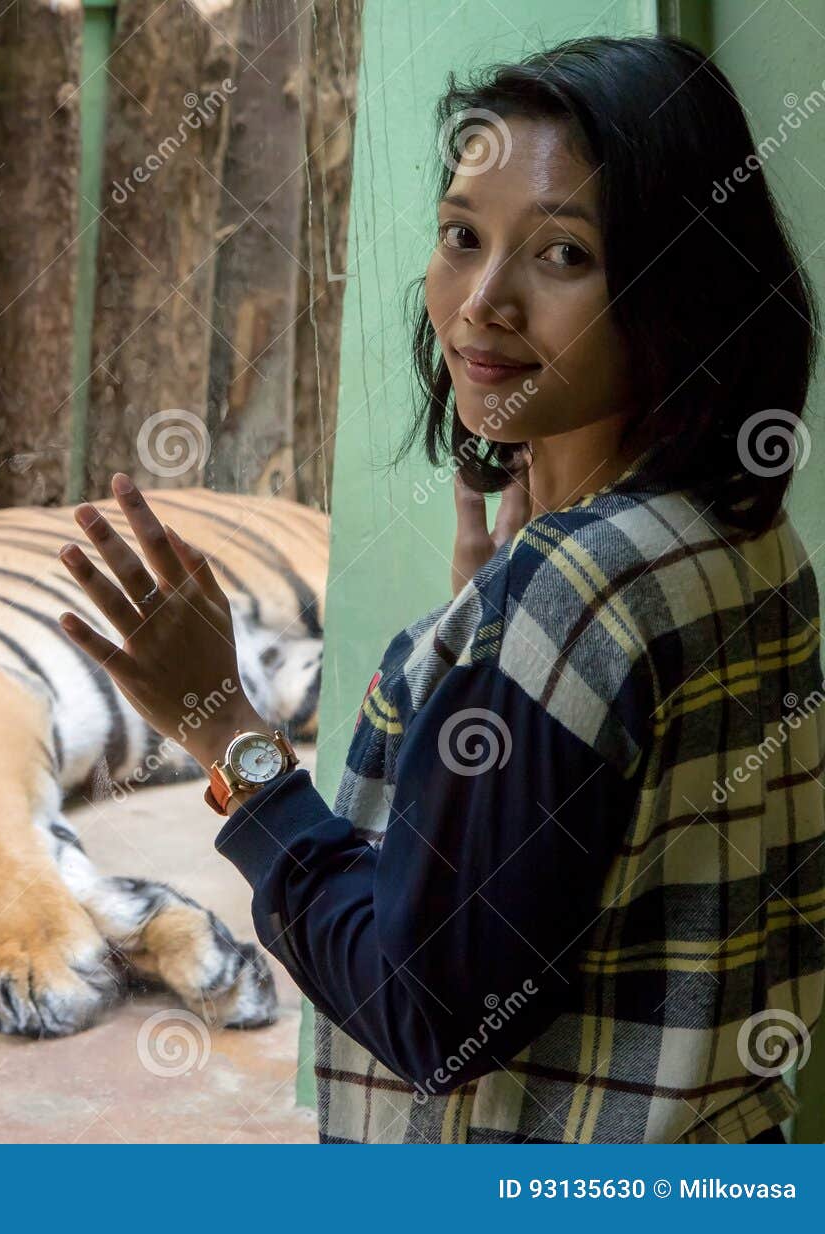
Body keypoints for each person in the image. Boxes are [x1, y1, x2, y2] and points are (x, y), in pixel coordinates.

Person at [57, 34, 823, 1144]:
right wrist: (487, 627)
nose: (484, 301)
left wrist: (228, 735)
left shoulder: (576, 592)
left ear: (679, 288)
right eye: (463, 236)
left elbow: (429, 1016)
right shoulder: (741, 533)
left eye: (563, 254)